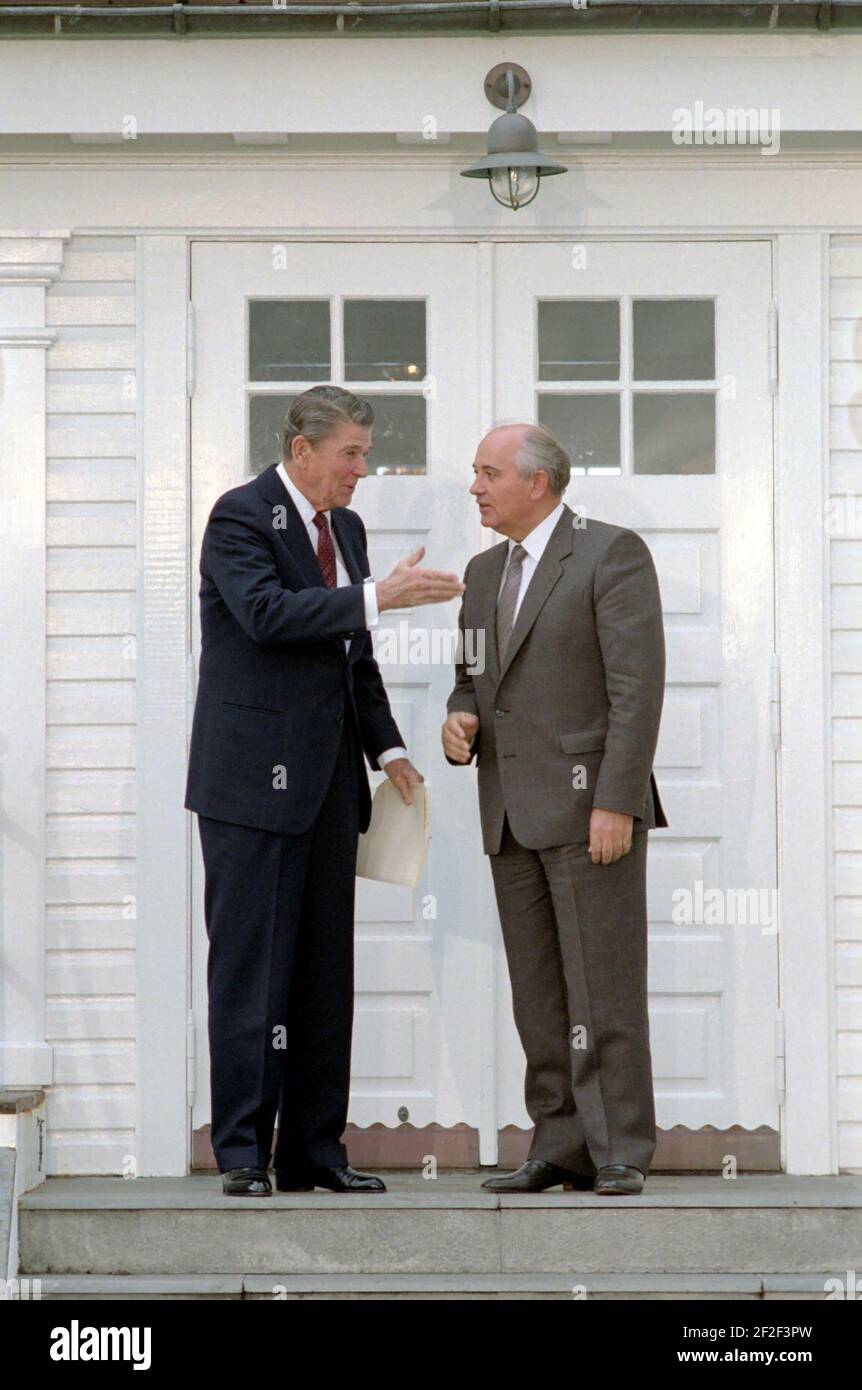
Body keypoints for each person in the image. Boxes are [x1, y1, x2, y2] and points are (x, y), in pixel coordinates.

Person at [185, 384, 463, 1196]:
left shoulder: (348, 528)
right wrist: (382, 596)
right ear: (302, 451)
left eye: (366, 455)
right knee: (250, 972)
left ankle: (314, 1151)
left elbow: (354, 653)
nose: (361, 470)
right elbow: (269, 615)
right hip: (249, 788)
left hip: (330, 785)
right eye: (351, 454)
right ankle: (241, 1153)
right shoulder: (240, 517)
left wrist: (389, 748)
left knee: (321, 976)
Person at [442, 423, 668, 1196]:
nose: (474, 486)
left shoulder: (611, 553)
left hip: (588, 809)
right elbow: (472, 678)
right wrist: (458, 717)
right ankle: (560, 1142)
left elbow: (636, 694)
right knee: (539, 991)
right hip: (508, 810)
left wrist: (617, 802)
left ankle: (620, 1148)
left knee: (602, 984)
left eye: (487, 472)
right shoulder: (479, 573)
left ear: (537, 482)